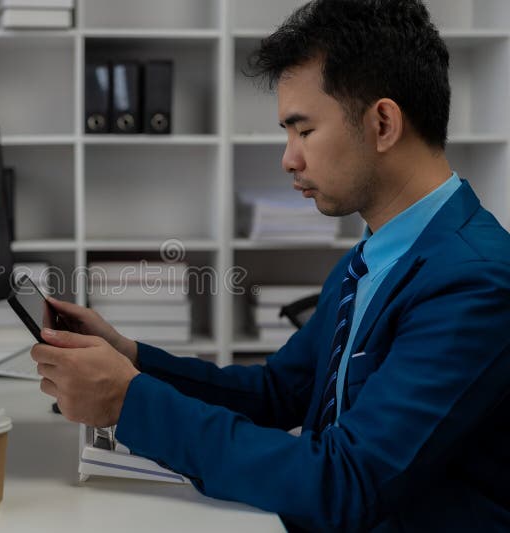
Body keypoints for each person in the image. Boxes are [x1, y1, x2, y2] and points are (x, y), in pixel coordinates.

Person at [30, 0, 510, 530]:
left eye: (303, 131)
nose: (289, 158)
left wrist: (128, 403)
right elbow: (277, 393)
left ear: (382, 124)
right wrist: (133, 360)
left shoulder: (474, 283)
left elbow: (347, 481)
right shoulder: (372, 257)